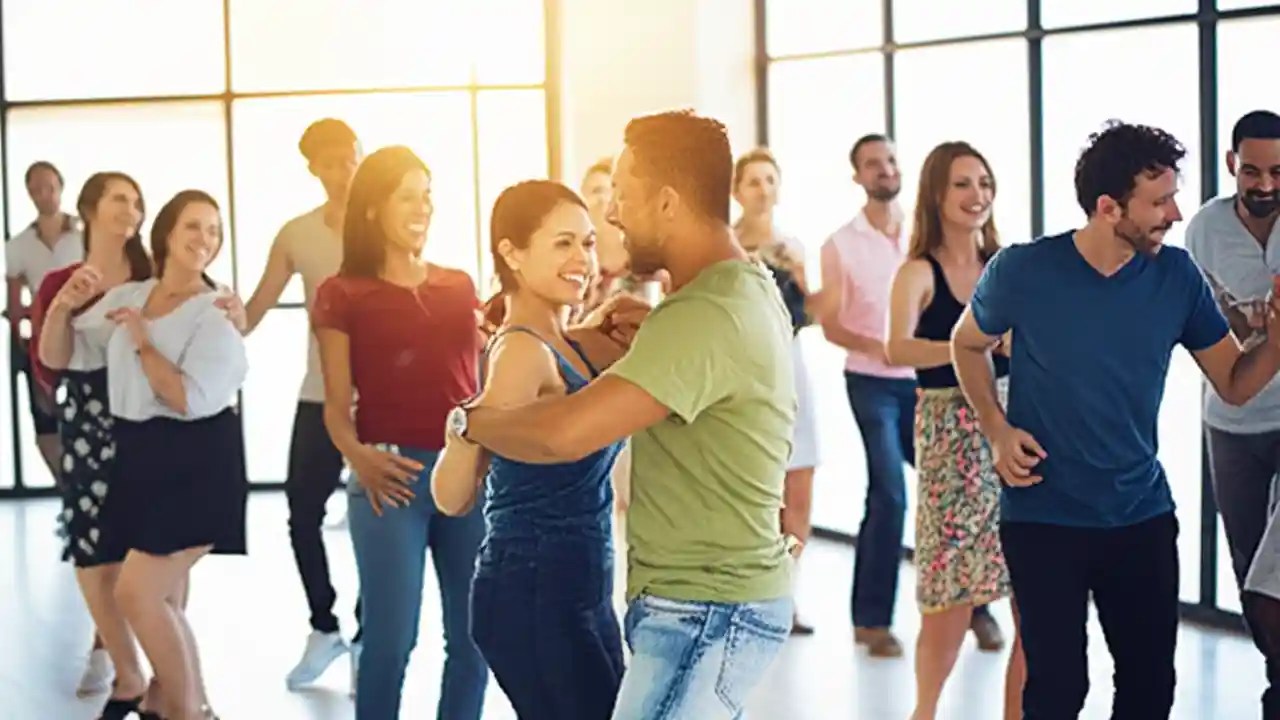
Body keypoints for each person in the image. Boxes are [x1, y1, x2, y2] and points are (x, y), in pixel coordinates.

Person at [451, 110, 795, 718]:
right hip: (694, 604)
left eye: (624, 198)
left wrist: (468, 423)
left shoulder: (701, 317)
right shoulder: (737, 289)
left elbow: (563, 435)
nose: (612, 216)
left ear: (666, 203)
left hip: (708, 611)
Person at [950, 120, 1280, 719]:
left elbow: (1233, 383)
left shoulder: (1177, 277)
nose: (1175, 214)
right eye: (1159, 202)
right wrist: (996, 429)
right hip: (1042, 518)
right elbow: (966, 343)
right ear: (1108, 207)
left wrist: (1278, 342)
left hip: (1141, 519)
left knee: (1149, 690)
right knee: (1056, 690)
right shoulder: (1022, 270)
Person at [432, 180, 630, 718]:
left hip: (579, 586)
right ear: (512, 253)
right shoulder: (521, 352)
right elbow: (452, 498)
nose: (582, 260)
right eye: (562, 243)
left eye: (588, 243)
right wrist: (464, 425)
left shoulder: (574, 342)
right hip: (534, 590)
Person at [311, 145, 488, 719]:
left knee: (472, 642)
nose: (423, 206)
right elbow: (336, 407)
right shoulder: (343, 293)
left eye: (427, 193)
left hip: (467, 474)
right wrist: (357, 458)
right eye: (407, 195)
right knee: (389, 642)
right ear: (372, 209)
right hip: (391, 478)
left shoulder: (460, 287)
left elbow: (485, 381)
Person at [820, 134, 1004, 657]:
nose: (885, 170)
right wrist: (954, 347)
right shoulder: (843, 244)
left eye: (891, 160)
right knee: (890, 493)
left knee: (974, 501)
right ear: (858, 175)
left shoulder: (942, 237)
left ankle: (978, 607)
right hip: (875, 383)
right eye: (873, 164)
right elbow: (837, 325)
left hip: (952, 391)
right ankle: (873, 620)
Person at [94, 190, 249, 720]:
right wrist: (68, 300)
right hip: (142, 457)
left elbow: (185, 396)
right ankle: (190, 708)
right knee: (157, 598)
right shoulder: (137, 293)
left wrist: (141, 340)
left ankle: (183, 711)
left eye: (213, 230)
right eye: (193, 226)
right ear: (166, 232)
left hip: (196, 462)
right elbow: (71, 342)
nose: (204, 238)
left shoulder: (217, 311)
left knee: (137, 593)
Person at [884, 141, 1023, 720]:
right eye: (963, 184)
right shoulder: (918, 270)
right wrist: (970, 347)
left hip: (1014, 425)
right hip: (947, 433)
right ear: (937, 194)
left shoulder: (1008, 266)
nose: (977, 196)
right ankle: (925, 712)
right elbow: (896, 347)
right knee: (949, 598)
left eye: (985, 183)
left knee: (1033, 594)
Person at [238, 118, 364, 690]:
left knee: (379, 520)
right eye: (333, 162)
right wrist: (191, 323)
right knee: (301, 515)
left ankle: (368, 635)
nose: (345, 171)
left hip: (380, 401)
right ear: (313, 167)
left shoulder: (384, 229)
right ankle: (324, 625)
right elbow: (255, 307)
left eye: (352, 158)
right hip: (318, 396)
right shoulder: (296, 234)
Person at [34, 172, 154, 717]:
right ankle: (121, 665)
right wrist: (63, 306)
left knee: (152, 553)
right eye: (119, 199)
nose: (131, 209)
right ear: (89, 208)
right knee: (95, 550)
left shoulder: (154, 275)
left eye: (136, 201)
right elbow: (51, 362)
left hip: (149, 415)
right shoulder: (62, 278)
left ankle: (161, 673)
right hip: (86, 414)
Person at [1184, 108, 1280, 718]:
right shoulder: (1204, 229)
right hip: (1234, 420)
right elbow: (1199, 320)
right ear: (1231, 166)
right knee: (1249, 567)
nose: (1265, 184)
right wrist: (1245, 320)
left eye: (1277, 171)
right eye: (1252, 170)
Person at [732, 147, 820, 635]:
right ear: (736, 191)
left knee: (799, 484)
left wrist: (804, 275)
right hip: (747, 367)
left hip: (792, 364)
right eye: (753, 181)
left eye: (770, 180)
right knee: (757, 488)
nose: (763, 189)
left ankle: (788, 593)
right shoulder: (728, 245)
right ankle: (755, 590)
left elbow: (810, 315)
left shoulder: (794, 247)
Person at [5, 161, 82, 489]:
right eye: (36, 189)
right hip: (40, 334)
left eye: (49, 187)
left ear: (61, 187)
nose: (43, 195)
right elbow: (13, 298)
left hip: (84, 332)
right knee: (44, 414)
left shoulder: (84, 233)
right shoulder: (19, 245)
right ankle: (66, 490)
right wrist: (21, 335)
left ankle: (91, 488)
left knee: (85, 407)